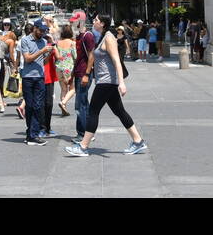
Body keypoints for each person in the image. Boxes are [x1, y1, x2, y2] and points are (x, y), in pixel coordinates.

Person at [65, 15, 147, 157]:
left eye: (96, 20)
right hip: (106, 81)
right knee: (119, 111)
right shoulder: (103, 37)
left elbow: (117, 60)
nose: (94, 22)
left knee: (93, 111)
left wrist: (121, 82)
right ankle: (138, 141)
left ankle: (83, 146)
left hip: (107, 82)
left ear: (102, 24)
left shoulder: (109, 38)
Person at [18, 18, 54, 145]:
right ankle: (31, 134)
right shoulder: (25, 40)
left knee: (38, 106)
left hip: (40, 77)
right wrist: (42, 51)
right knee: (30, 106)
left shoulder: (44, 41)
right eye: (40, 30)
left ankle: (32, 134)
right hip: (28, 77)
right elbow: (27, 59)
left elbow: (43, 62)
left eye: (44, 31)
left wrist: (49, 53)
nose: (42, 33)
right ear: (35, 28)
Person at [70, 18, 96, 142]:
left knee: (81, 105)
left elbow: (92, 55)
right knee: (82, 103)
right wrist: (72, 73)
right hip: (79, 73)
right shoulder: (79, 36)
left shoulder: (87, 36)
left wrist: (86, 74)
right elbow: (79, 57)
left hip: (84, 73)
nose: (71, 25)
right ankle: (86, 132)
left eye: (73, 22)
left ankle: (83, 134)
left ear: (80, 23)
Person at [55, 24, 77, 116]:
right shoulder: (72, 43)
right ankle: (63, 103)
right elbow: (75, 56)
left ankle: (64, 108)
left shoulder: (58, 43)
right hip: (69, 68)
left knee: (63, 89)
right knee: (72, 89)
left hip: (59, 67)